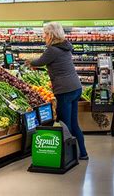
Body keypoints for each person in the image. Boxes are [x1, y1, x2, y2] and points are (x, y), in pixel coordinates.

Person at [26, 22, 88, 160]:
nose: (43, 36)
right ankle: (82, 153)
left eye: (45, 34)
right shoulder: (64, 47)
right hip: (75, 87)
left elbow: (40, 61)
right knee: (73, 123)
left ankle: (68, 157)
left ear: (50, 35)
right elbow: (56, 65)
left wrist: (27, 61)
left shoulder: (52, 50)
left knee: (65, 124)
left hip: (65, 90)